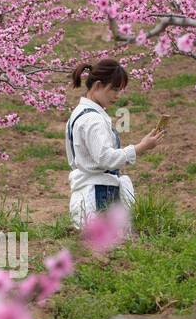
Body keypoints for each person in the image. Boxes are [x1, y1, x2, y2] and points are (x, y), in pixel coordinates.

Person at [65, 58, 162, 229]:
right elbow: (105, 159)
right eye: (114, 89)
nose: (117, 96)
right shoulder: (93, 120)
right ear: (97, 86)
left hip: (86, 192)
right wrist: (141, 147)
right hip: (99, 195)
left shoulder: (78, 113)